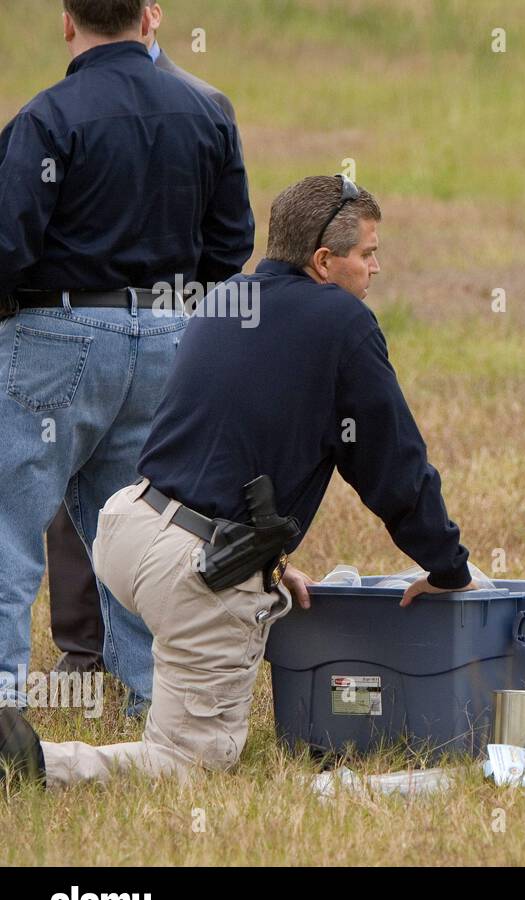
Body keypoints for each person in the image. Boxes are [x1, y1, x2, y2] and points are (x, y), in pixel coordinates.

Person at [0, 175, 476, 789]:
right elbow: (394, 466)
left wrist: (266, 564)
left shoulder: (226, 297)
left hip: (128, 526)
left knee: (195, 676)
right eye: (368, 253)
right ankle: (29, 764)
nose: (377, 268)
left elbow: (223, 439)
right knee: (192, 764)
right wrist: (448, 567)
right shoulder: (343, 324)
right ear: (325, 261)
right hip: (196, 566)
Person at [0, 0, 253, 711]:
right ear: (150, 19)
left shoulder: (46, 118)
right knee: (143, 534)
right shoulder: (209, 110)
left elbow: (7, 246)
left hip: (58, 340)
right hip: (169, 342)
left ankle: (3, 714)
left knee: (8, 535)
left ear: (66, 21)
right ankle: (158, 707)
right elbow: (232, 245)